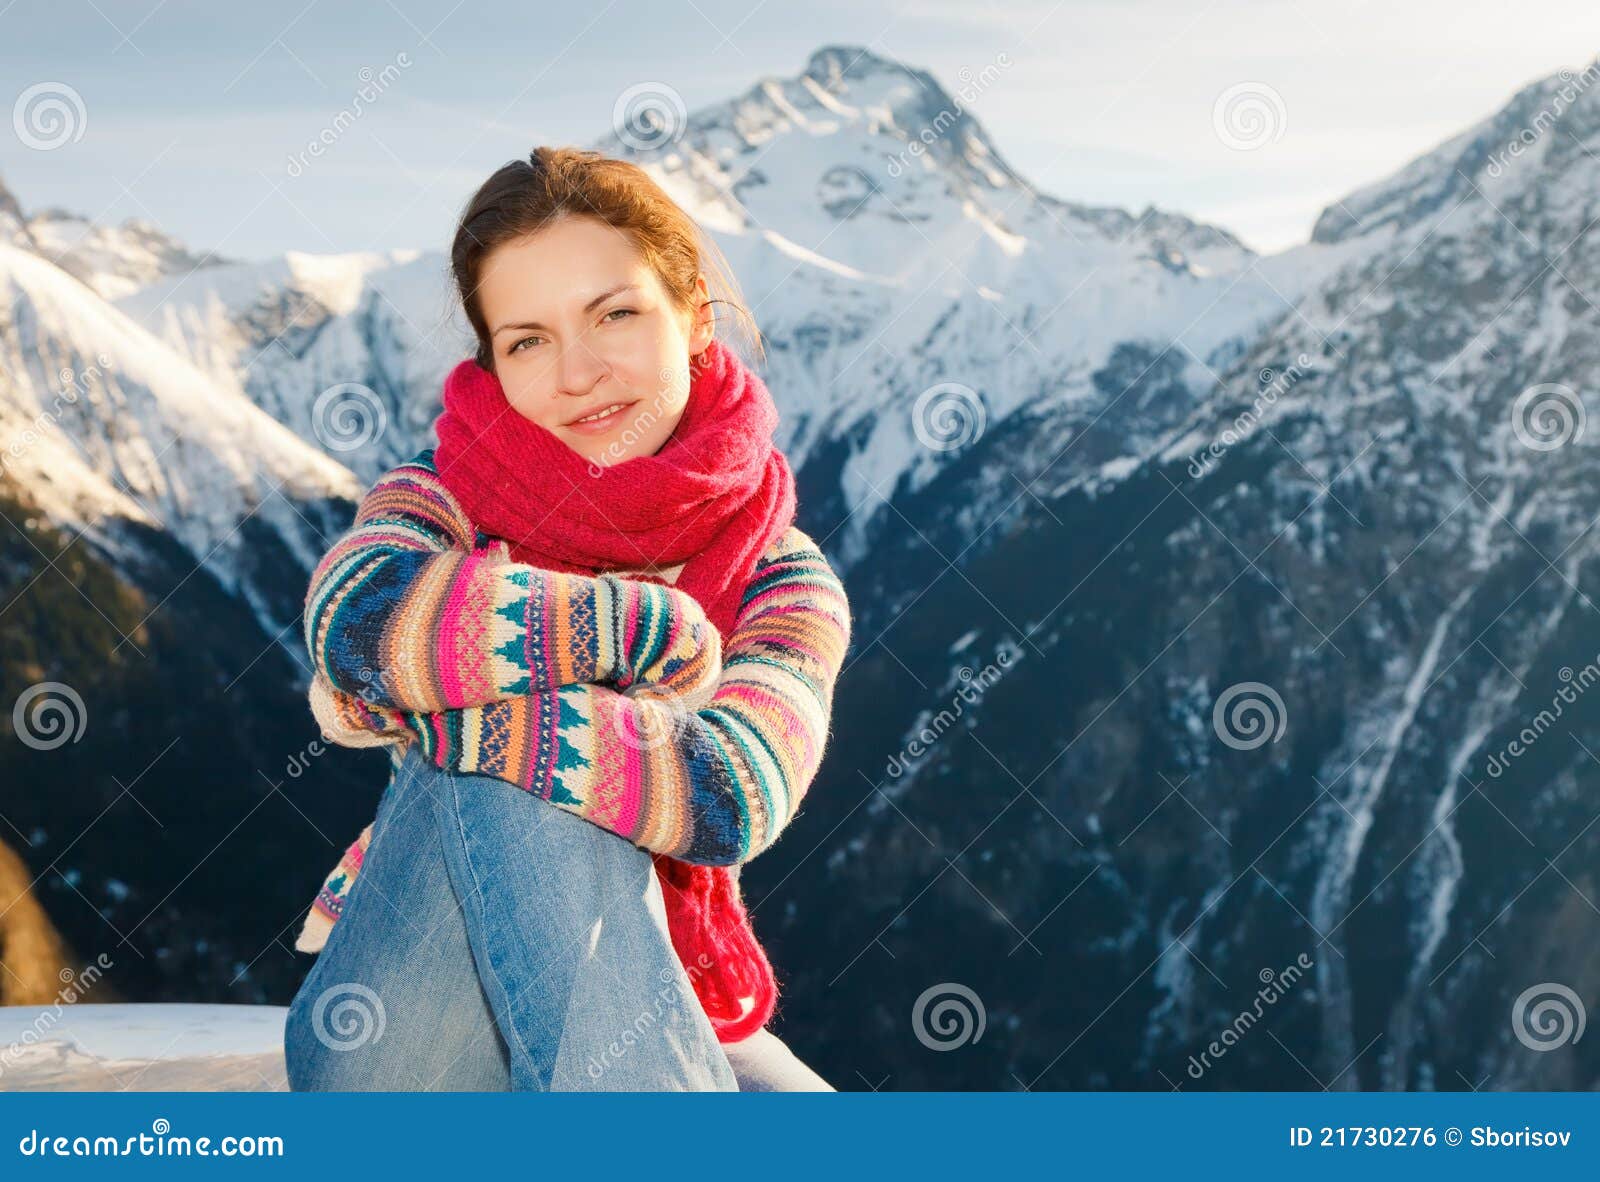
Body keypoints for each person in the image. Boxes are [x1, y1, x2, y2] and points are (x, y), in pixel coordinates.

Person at [282, 146, 851, 1092]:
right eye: (528, 340)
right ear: (492, 364)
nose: (577, 373)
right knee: (527, 774)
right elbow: (354, 622)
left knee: (522, 750)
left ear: (695, 320)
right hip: (401, 1045)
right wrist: (631, 631)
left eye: (615, 314)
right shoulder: (446, 493)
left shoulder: (782, 575)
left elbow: (730, 790)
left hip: (652, 999)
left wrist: (439, 687)